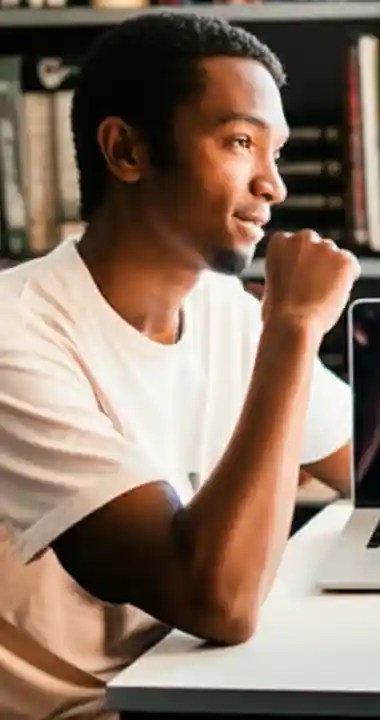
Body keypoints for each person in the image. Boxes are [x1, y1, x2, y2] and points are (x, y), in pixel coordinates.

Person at [0, 13, 359, 718]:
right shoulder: (16, 333)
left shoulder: (220, 307)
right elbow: (215, 600)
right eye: (239, 142)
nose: (274, 186)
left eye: (277, 153)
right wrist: (292, 328)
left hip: (208, 688)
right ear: (126, 150)